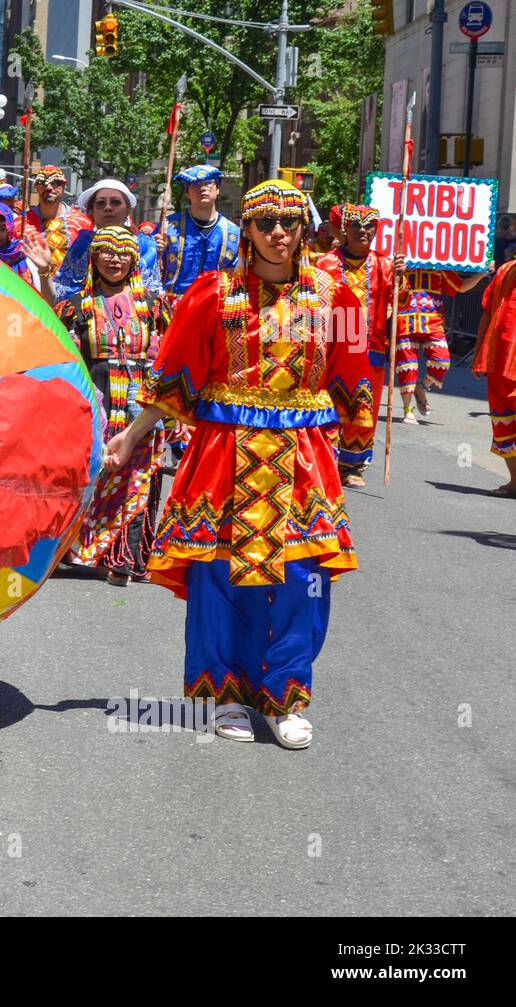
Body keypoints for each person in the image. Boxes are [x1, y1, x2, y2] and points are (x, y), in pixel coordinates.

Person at [103, 179, 373, 750]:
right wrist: (130, 437)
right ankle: (223, 695)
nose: (280, 234)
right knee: (220, 575)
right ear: (246, 230)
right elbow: (177, 374)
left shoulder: (334, 298)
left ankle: (285, 696)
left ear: (305, 229)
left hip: (302, 458)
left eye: (291, 223)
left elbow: (352, 370)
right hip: (224, 453)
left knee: (305, 578)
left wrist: (357, 437)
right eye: (266, 223)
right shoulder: (214, 294)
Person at [56, 227, 164, 585]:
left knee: (137, 478)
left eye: (123, 253)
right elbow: (57, 352)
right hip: (96, 402)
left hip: (140, 405)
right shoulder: (74, 306)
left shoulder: (153, 305)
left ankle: (126, 558)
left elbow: (173, 355)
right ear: (94, 257)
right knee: (92, 477)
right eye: (107, 251)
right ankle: (77, 552)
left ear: (134, 259)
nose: (115, 259)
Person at [316, 203, 407, 486]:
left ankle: (353, 466)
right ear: (345, 230)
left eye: (370, 227)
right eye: (357, 226)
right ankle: (324, 458)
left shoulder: (385, 264)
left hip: (372, 347)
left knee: (364, 406)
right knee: (330, 403)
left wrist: (402, 277)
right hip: (335, 346)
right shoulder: (325, 264)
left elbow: (401, 302)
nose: (364, 232)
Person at [396, 265, 489, 422]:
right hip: (405, 322)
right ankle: (408, 410)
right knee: (407, 368)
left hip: (433, 323)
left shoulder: (439, 268)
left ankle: (422, 386)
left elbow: (461, 286)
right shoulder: (400, 266)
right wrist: (397, 272)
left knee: (442, 360)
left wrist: (483, 273)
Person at [55, 177, 163, 302]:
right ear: (92, 211)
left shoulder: (145, 245)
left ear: (127, 209)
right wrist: (43, 272)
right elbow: (64, 293)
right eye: (100, 203)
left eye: (116, 202)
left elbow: (153, 297)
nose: (108, 208)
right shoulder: (82, 244)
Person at [155, 164, 240, 302]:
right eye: (195, 185)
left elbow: (238, 278)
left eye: (208, 183)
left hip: (214, 309)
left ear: (217, 189)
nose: (202, 188)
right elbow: (148, 269)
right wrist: (156, 252)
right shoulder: (167, 227)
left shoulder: (234, 234)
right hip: (173, 310)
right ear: (187, 192)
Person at [473, 258, 516, 496]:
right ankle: (515, 483)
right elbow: (487, 313)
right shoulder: (504, 270)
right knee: (503, 421)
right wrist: (480, 352)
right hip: (498, 361)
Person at [0, 201, 55, 300]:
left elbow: (49, 302)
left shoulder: (25, 255)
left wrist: (44, 270)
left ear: (10, 228)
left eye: (2, 228)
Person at [27, 165, 87, 279]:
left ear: (64, 187)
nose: (49, 187)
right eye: (43, 183)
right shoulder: (21, 222)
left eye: (56, 183)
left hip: (69, 294)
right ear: (36, 187)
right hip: (30, 292)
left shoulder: (82, 223)